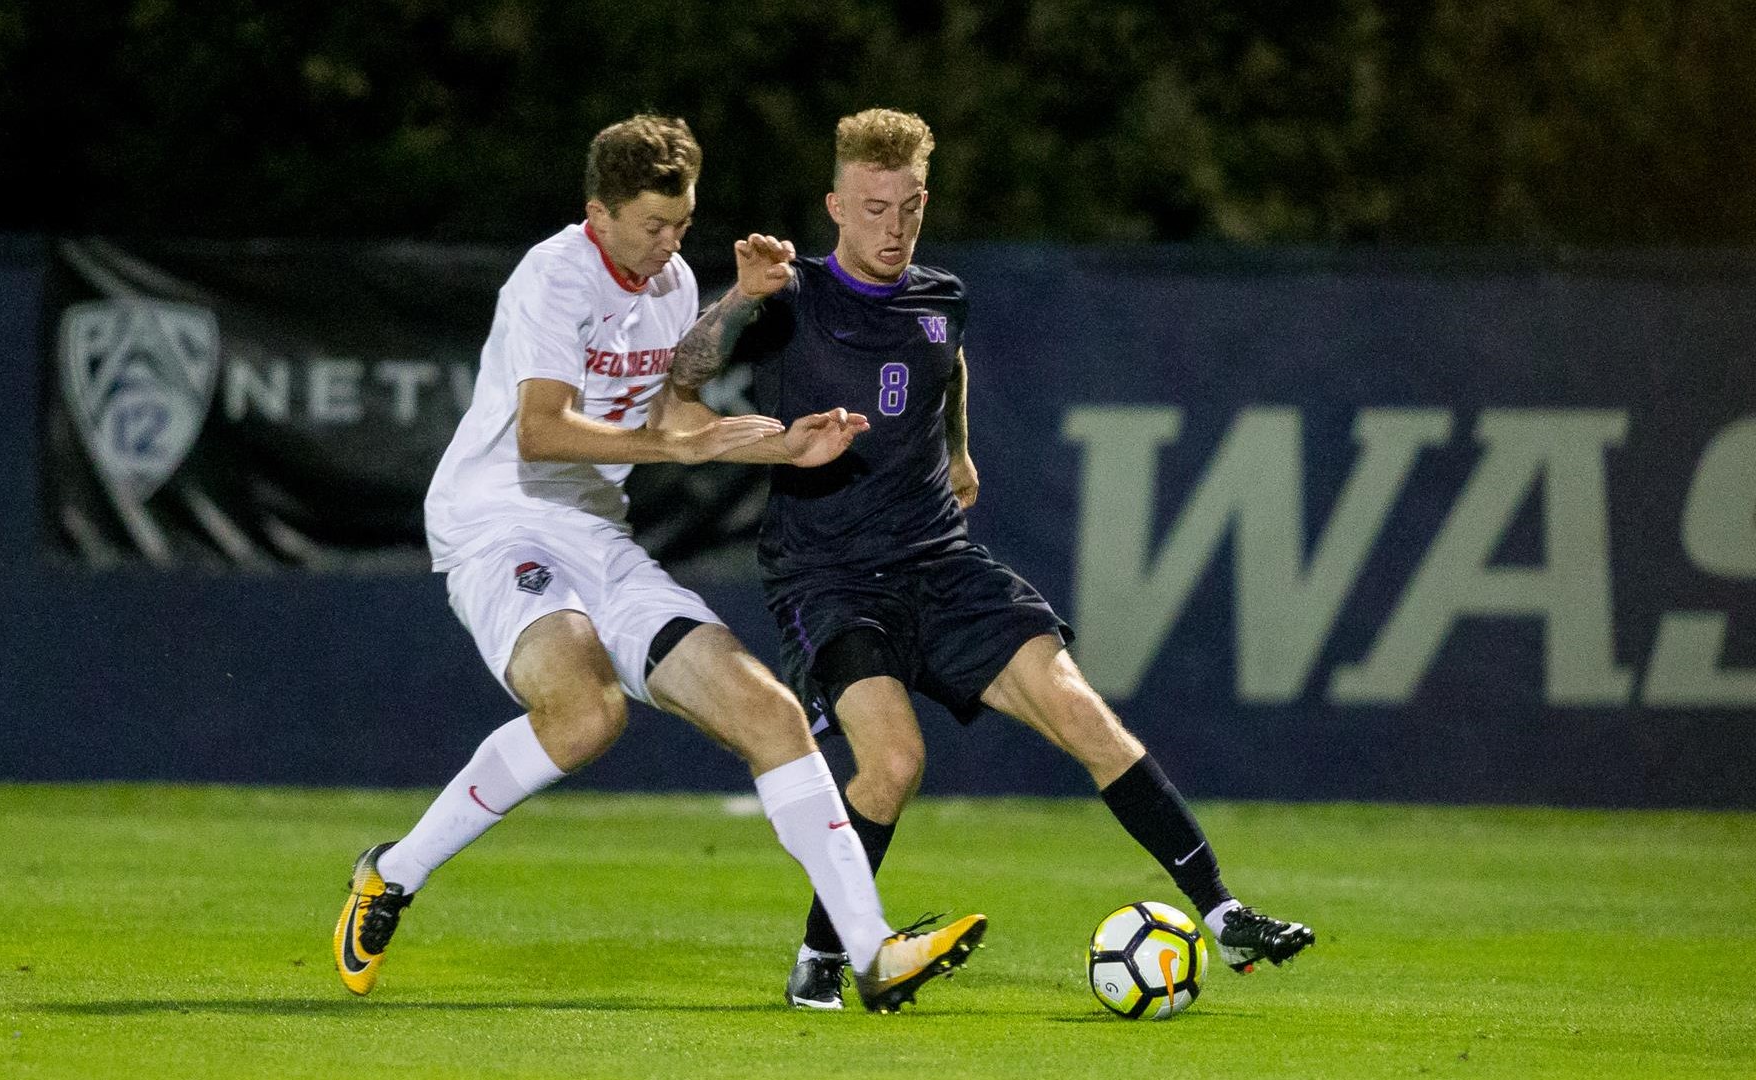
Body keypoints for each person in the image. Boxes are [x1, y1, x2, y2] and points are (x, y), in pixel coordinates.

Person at [331, 114, 986, 1014]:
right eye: (652, 225)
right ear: (597, 213)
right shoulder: (552, 277)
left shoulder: (674, 280)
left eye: (682, 225)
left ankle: (868, 952)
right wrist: (682, 450)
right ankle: (392, 875)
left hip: (596, 531)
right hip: (499, 521)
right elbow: (543, 429)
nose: (671, 244)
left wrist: (778, 448)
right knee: (585, 710)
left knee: (774, 715)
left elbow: (677, 418)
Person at [669, 108, 1315, 1011]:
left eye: (909, 208)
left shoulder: (943, 297)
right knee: (893, 764)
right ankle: (823, 954)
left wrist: (959, 450)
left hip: (940, 562)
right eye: (873, 208)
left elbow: (950, 364)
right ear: (836, 207)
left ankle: (1223, 909)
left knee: (1083, 713)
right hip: (831, 577)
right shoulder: (793, 296)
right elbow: (684, 375)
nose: (892, 228)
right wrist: (737, 297)